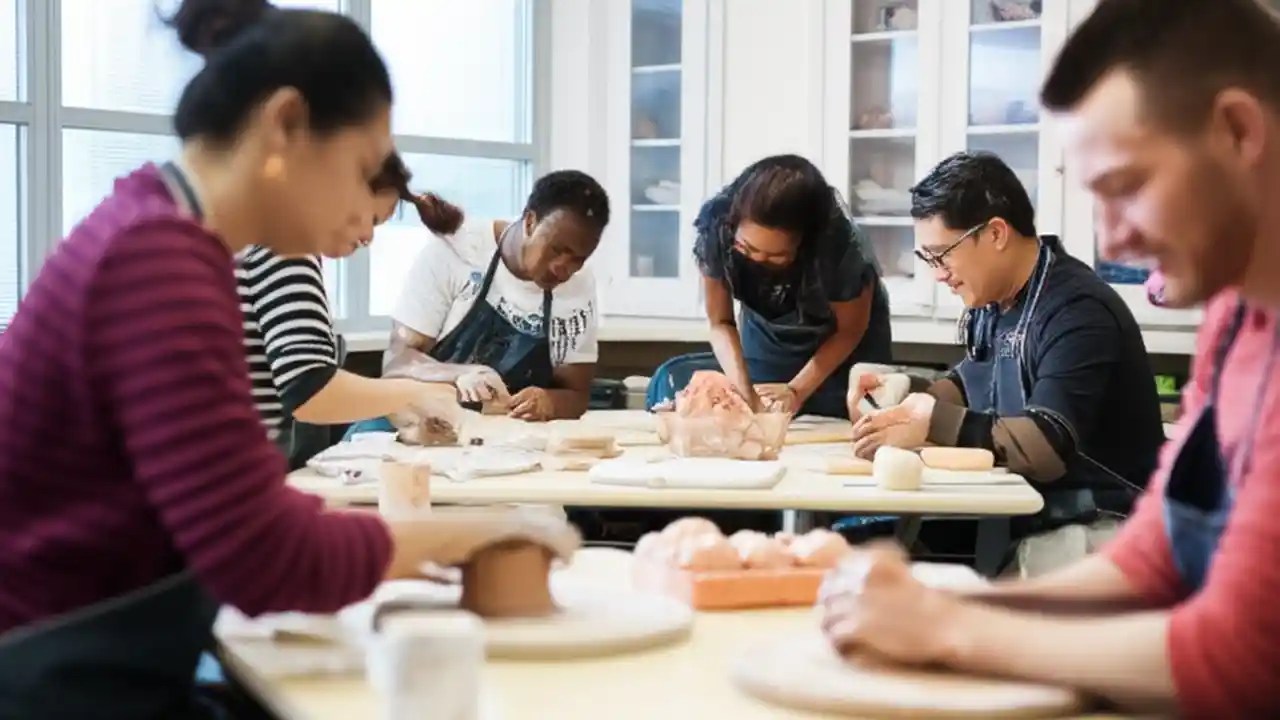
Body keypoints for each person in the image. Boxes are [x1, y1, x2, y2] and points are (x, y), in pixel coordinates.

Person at [0, 2, 578, 717]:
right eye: (363, 166)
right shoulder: (157, 259)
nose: (368, 207)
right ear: (285, 125)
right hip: (48, 671)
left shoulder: (155, 226)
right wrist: (487, 530)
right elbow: (266, 560)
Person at [821, 1, 1280, 716]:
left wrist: (950, 625)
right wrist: (935, 605)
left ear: (1238, 133)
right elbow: (1157, 554)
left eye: (1127, 188)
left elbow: (1245, 654)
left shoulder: (1081, 305)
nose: (1114, 243)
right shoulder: (1235, 318)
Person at [850, 151, 1163, 576]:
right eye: (929, 259)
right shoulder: (996, 301)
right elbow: (967, 381)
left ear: (996, 233)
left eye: (942, 254)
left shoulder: (1075, 309)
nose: (938, 274)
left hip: (1106, 526)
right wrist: (898, 394)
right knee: (873, 546)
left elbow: (1046, 448)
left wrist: (930, 420)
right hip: (1032, 514)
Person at [238, 151, 461, 469]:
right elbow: (309, 389)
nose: (368, 238)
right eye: (370, 219)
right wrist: (416, 393)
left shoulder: (261, 236)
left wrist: (395, 407)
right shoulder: (286, 246)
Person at [346, 169, 610, 434]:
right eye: (557, 249)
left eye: (579, 258)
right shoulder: (459, 252)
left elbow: (576, 395)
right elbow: (397, 363)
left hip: (499, 441)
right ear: (530, 222)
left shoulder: (578, 287)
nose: (564, 267)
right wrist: (461, 374)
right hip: (413, 423)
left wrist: (549, 402)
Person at [646, 154, 892, 418]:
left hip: (842, 355)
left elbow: (849, 331)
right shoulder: (717, 228)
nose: (759, 262)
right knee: (744, 413)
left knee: (847, 420)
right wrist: (744, 391)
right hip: (768, 342)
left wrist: (796, 391)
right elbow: (721, 322)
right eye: (746, 249)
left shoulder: (838, 248)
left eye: (776, 257)